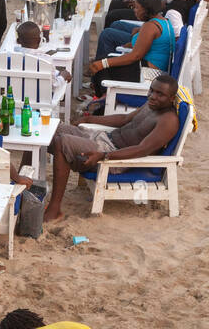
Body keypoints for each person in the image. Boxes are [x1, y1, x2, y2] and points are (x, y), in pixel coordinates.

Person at [44, 73, 181, 223]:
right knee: (50, 128)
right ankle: (29, 187)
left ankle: (55, 209)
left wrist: (104, 156)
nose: (153, 96)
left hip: (114, 157)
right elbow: (124, 119)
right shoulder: (151, 105)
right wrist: (88, 119)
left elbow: (142, 149)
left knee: (63, 142)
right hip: (103, 138)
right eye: (152, 90)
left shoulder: (168, 121)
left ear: (171, 98)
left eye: (160, 94)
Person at [85, 0, 175, 96]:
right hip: (155, 67)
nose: (135, 11)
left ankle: (103, 100)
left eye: (137, 8)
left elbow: (135, 56)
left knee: (101, 67)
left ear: (147, 9)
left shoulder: (151, 27)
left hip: (149, 73)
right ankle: (103, 95)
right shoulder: (163, 21)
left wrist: (103, 63)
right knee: (103, 63)